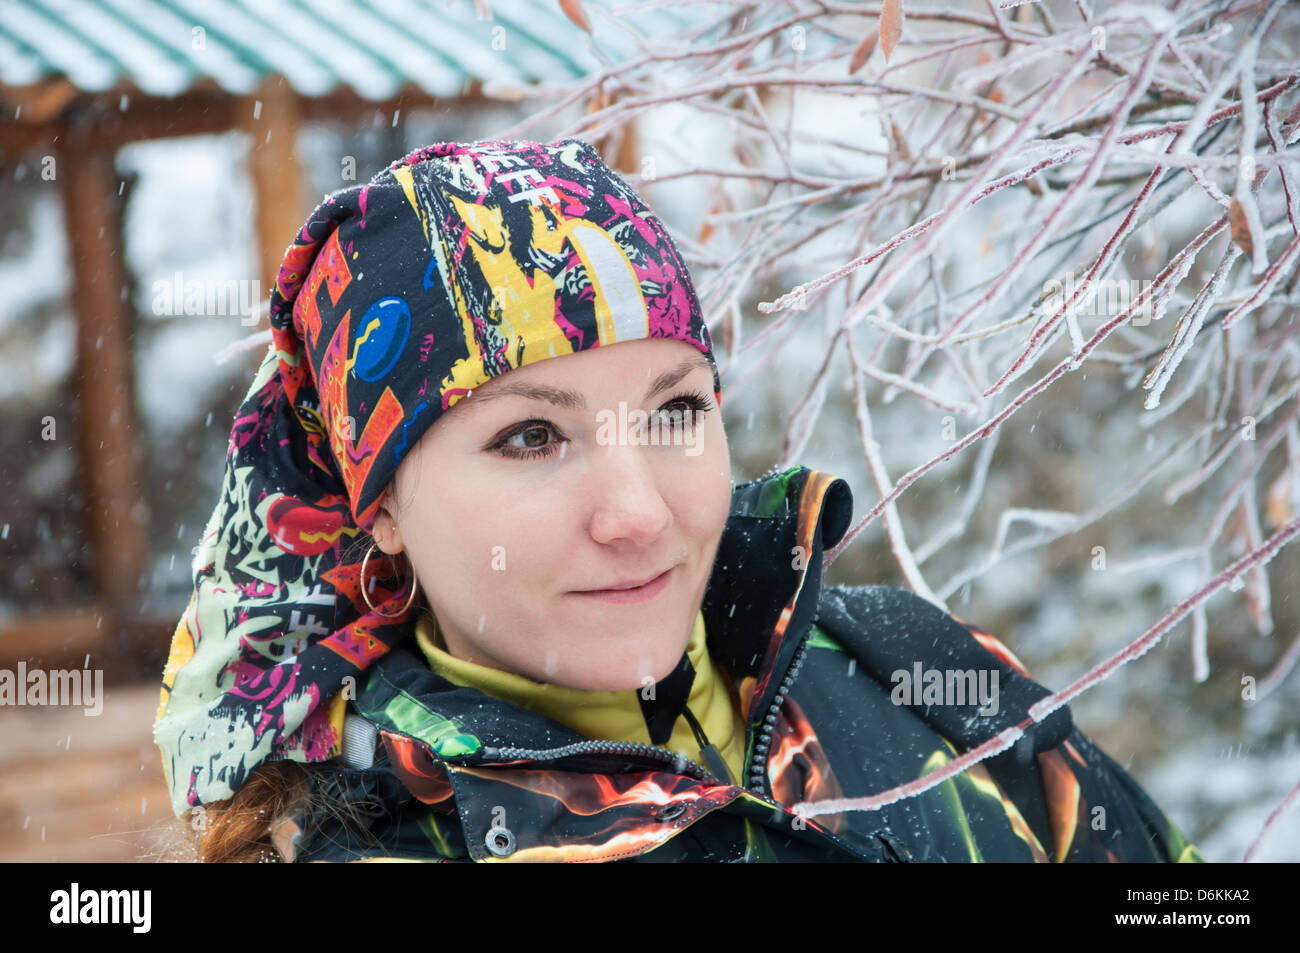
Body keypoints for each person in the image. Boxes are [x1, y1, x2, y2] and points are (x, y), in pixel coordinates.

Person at [152, 137, 1204, 863]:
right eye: (530, 435)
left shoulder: (904, 667)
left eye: (672, 411)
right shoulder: (364, 839)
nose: (639, 512)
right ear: (374, 501)